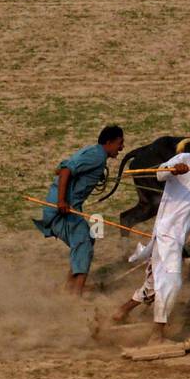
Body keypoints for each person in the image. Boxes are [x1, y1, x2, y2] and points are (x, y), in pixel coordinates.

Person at [113, 129, 190, 344]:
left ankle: (120, 312)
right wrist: (174, 170)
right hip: (168, 233)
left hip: (177, 237)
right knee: (172, 281)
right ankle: (157, 336)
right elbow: (160, 173)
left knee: (154, 283)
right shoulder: (185, 159)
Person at [34, 125, 126, 295]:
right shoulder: (96, 157)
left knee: (88, 239)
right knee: (83, 242)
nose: (122, 148)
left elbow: (61, 169)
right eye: (120, 143)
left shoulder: (95, 154)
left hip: (66, 207)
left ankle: (69, 287)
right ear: (109, 142)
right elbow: (65, 171)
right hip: (61, 209)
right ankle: (75, 298)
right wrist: (61, 201)